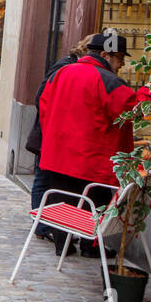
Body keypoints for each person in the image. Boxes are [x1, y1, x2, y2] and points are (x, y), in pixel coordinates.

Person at [37, 30, 151, 258]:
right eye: (119, 58)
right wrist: (150, 92)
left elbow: (43, 105)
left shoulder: (62, 72)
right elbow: (131, 109)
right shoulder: (107, 80)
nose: (121, 64)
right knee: (97, 203)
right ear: (105, 54)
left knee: (64, 201)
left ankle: (63, 246)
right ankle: (91, 249)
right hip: (93, 159)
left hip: (59, 154)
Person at [25, 34, 95, 249]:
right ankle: (42, 226)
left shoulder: (74, 66)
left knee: (46, 178)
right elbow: (41, 96)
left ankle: (46, 225)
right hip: (51, 131)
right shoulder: (66, 66)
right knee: (44, 178)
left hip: (56, 131)